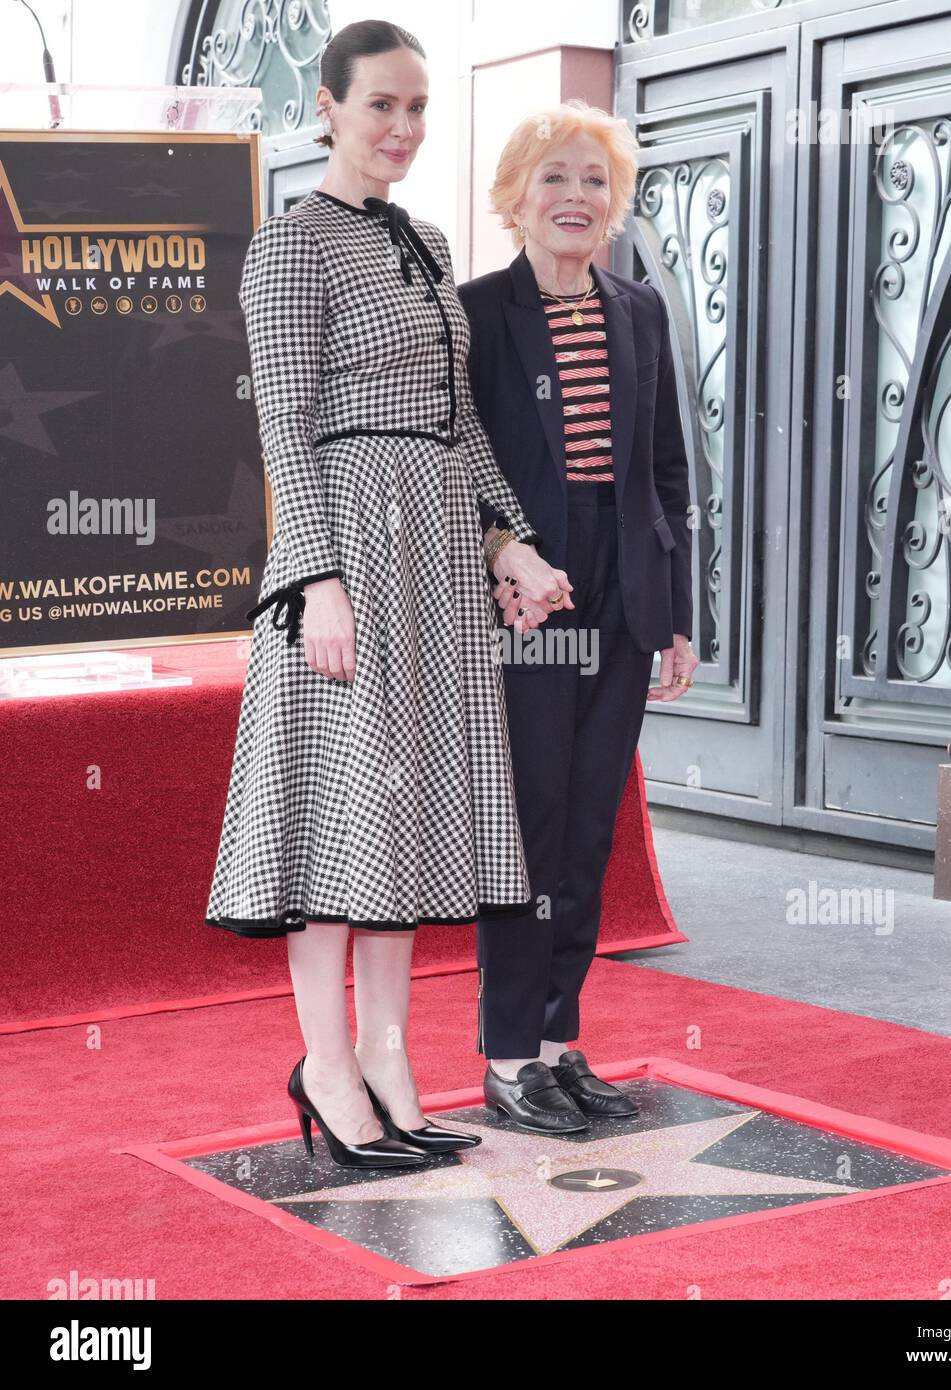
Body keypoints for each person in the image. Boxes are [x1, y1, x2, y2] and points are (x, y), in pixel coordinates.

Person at [204, 20, 570, 1168]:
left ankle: (391, 1058)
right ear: (328, 108)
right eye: (380, 107)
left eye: (417, 107)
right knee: (339, 819)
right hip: (351, 549)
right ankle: (327, 1063)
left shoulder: (424, 237)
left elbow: (458, 424)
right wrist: (316, 582)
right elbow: (283, 430)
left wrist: (508, 540)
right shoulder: (291, 244)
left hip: (435, 562)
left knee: (403, 825)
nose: (403, 128)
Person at [458, 101, 699, 1134]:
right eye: (552, 177)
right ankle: (508, 1058)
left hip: (623, 585)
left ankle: (559, 1044)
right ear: (516, 195)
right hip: (529, 599)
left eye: (593, 180)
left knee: (591, 826)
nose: (574, 197)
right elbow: (451, 471)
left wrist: (677, 611)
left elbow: (666, 473)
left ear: (615, 202)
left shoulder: (638, 310)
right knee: (531, 824)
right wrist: (501, 558)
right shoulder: (472, 313)